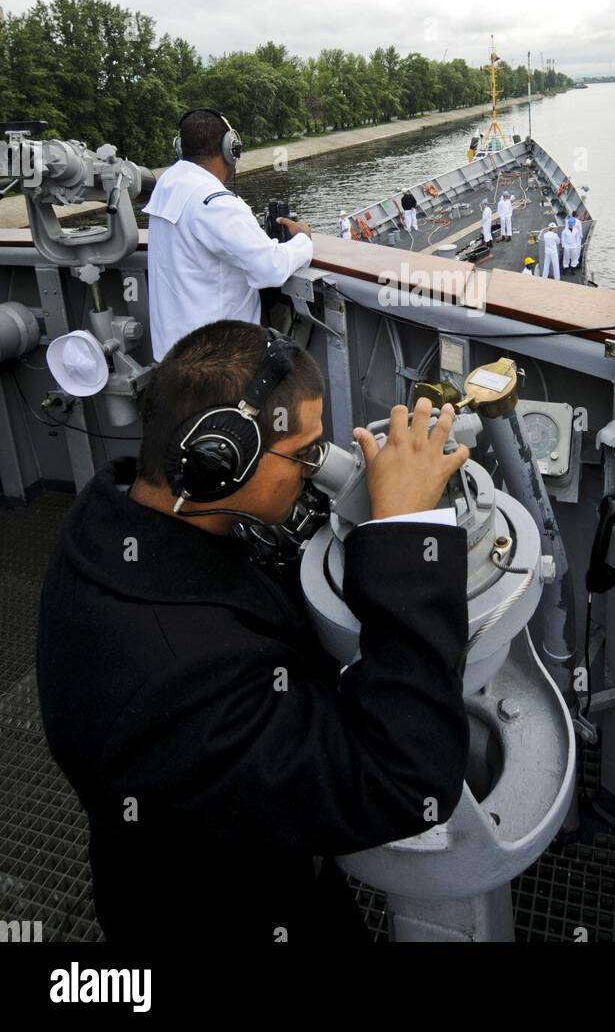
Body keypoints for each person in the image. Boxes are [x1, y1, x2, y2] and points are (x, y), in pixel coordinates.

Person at [37, 320, 471, 945]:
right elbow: (406, 779)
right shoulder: (180, 685)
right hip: (224, 911)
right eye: (304, 455)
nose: (314, 470)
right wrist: (406, 531)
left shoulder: (110, 525)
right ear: (220, 458)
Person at [144, 109, 313, 361]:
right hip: (217, 362)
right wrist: (303, 239)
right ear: (230, 149)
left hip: (172, 355)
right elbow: (271, 267)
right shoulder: (215, 202)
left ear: (181, 148)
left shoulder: (168, 184)